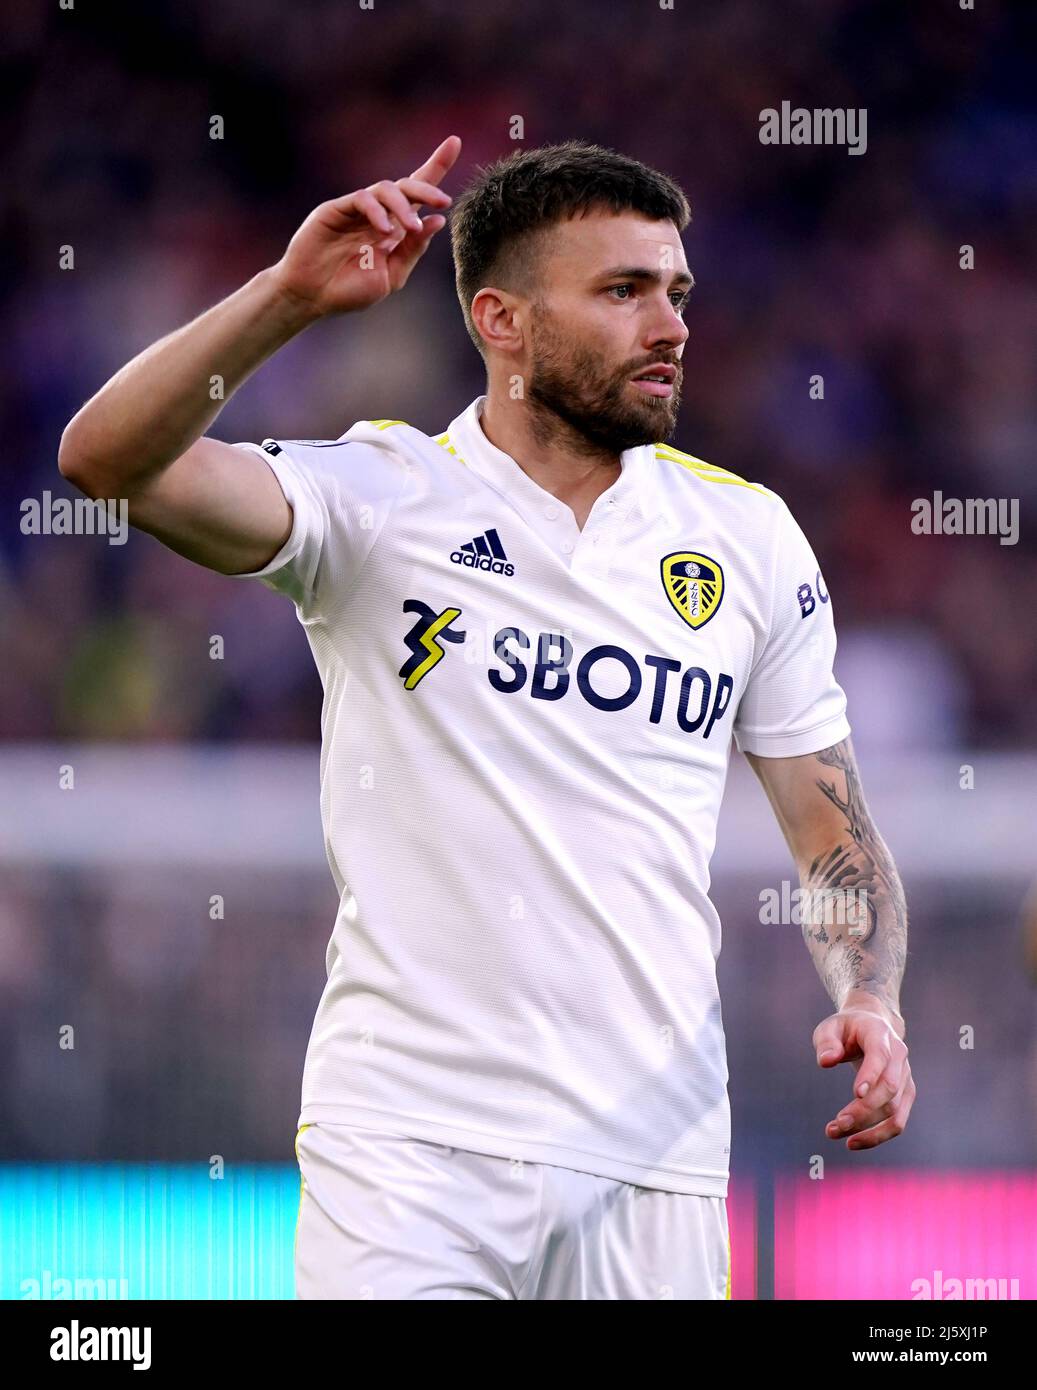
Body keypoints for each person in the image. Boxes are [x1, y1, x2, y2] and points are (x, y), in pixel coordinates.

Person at [59, 135, 914, 1300]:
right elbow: (105, 459)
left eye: (675, 293)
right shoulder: (377, 499)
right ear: (500, 320)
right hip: (407, 1146)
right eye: (621, 292)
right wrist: (287, 300)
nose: (668, 326)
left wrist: (869, 996)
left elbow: (832, 840)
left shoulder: (747, 538)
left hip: (651, 1159)